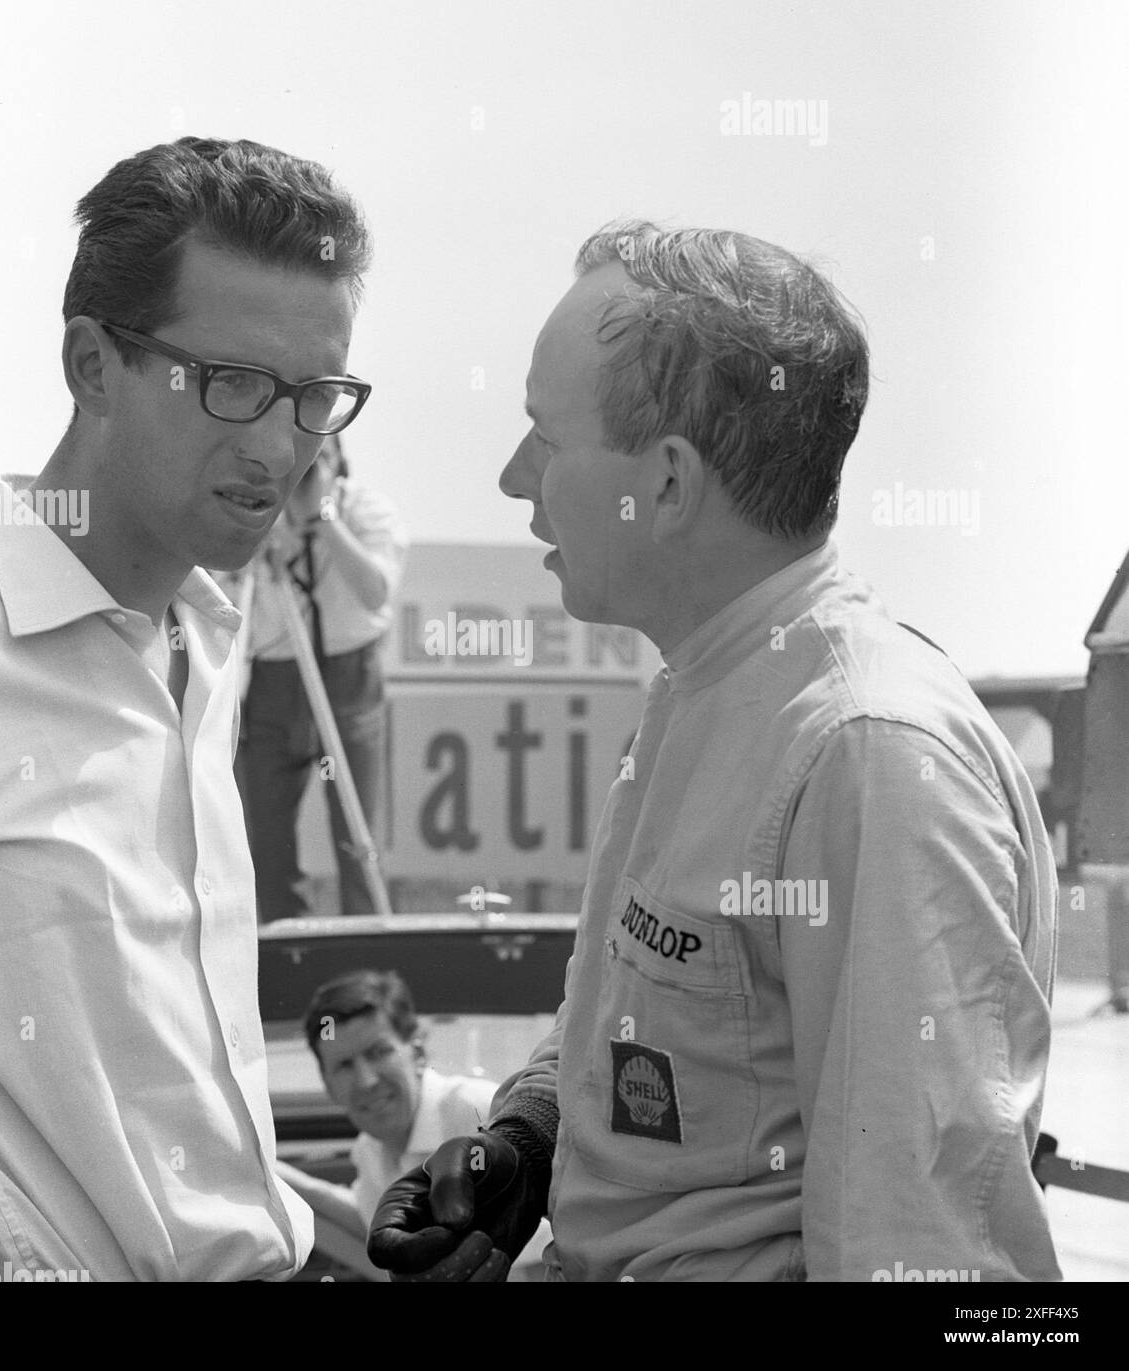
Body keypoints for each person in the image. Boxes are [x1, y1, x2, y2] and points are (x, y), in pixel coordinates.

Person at [367, 222, 1062, 1282]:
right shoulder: (712, 683)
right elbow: (652, 1030)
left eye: (545, 440)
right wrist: (529, 1141)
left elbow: (923, 1253)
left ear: (671, 485)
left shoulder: (866, 760)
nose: (514, 479)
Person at [0, 136, 373, 1280]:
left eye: (314, 396)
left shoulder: (211, 648)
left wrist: (296, 1216)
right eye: (230, 384)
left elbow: (114, 1087)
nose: (278, 447)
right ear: (90, 364)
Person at [222, 433, 406, 920]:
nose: (304, 476)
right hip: (274, 681)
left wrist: (323, 519)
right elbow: (218, 593)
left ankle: (365, 957)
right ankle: (285, 950)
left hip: (349, 677)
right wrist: (257, 543)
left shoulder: (366, 510)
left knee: (356, 831)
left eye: (317, 460)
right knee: (267, 837)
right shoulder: (253, 513)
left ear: (340, 462)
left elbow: (375, 592)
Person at [273, 970, 548, 1280]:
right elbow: (365, 1229)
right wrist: (272, 1173)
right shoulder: (370, 1150)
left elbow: (551, 1252)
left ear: (417, 1051)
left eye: (379, 1053)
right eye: (345, 1066)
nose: (367, 1081)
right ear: (328, 1085)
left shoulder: (483, 1114)